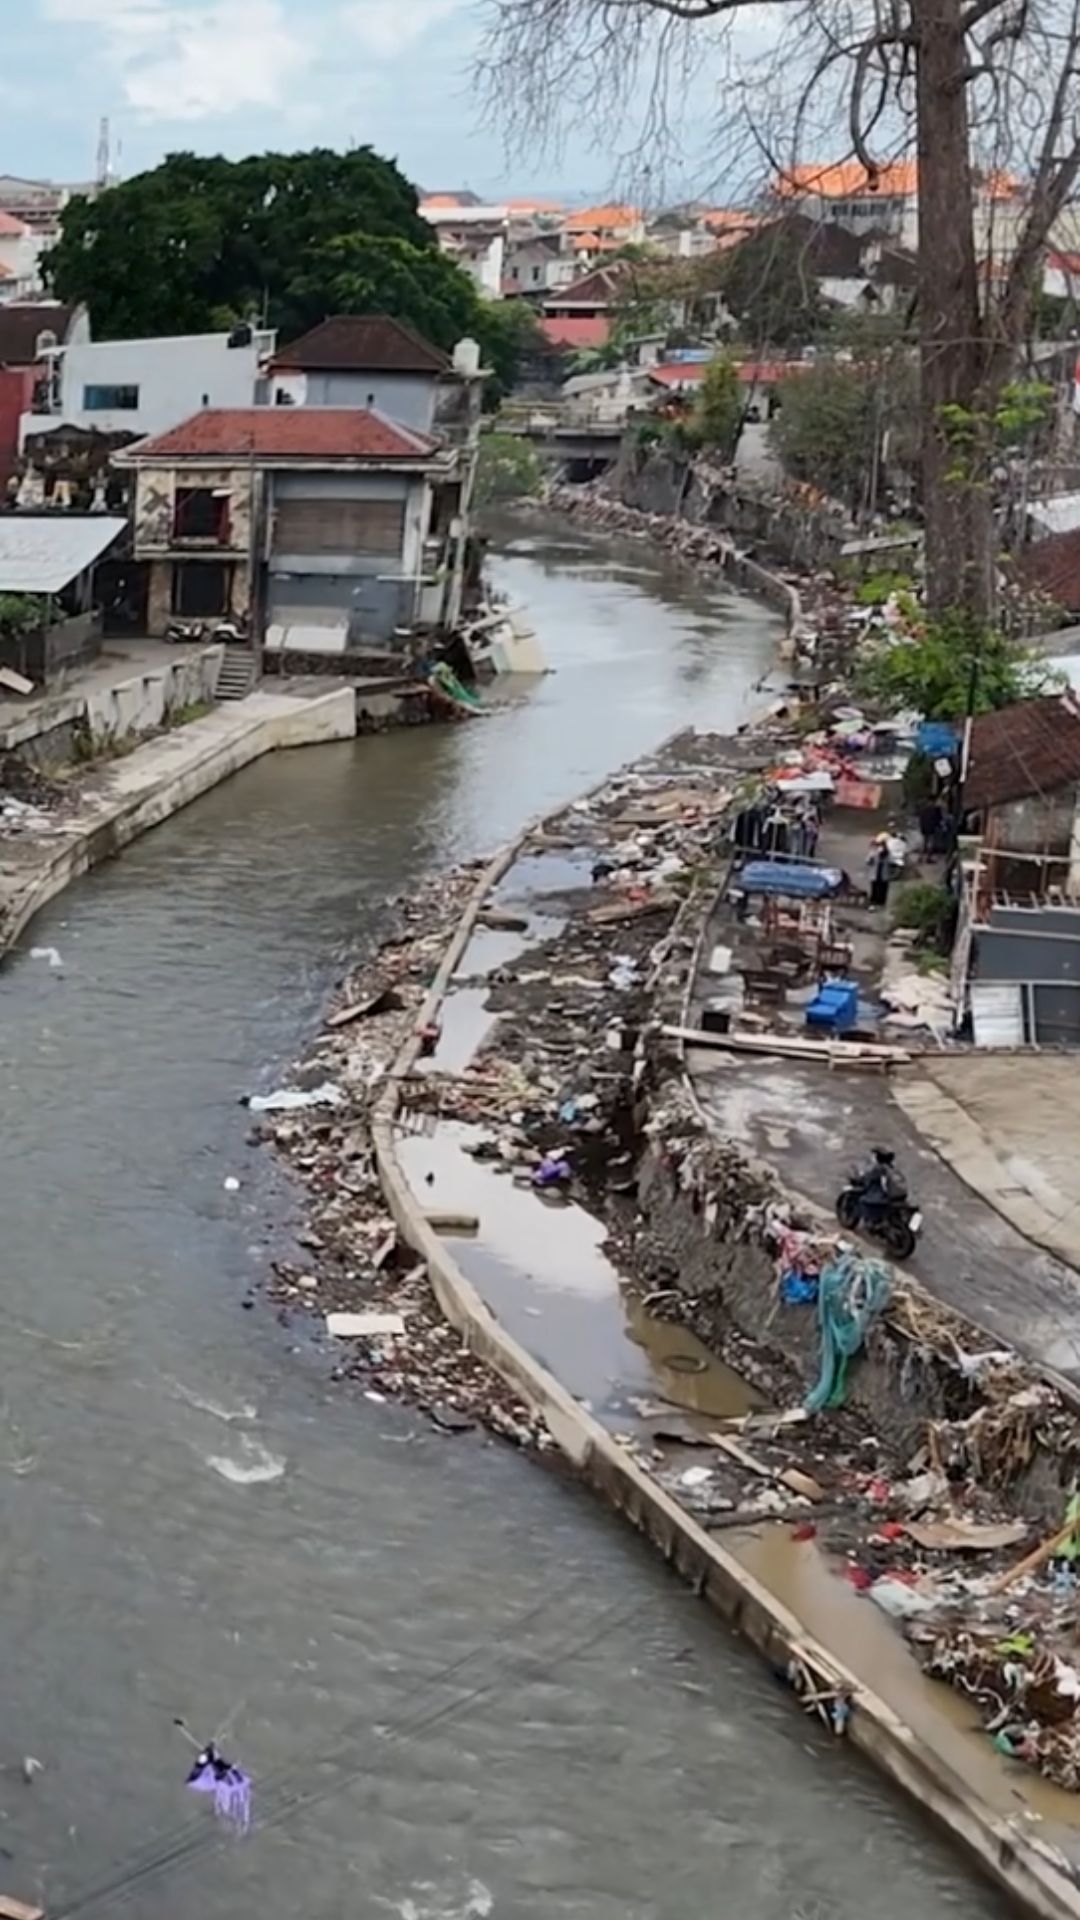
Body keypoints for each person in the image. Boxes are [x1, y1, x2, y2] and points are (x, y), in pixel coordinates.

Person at [855, 1147, 907, 1226]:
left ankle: (871, 1222)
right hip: (900, 1195)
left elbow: (867, 1176)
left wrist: (860, 1177)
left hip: (884, 1198)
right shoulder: (892, 1168)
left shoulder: (878, 1168)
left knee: (862, 1201)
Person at [867, 836, 892, 908]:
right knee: (874, 891)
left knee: (882, 891)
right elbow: (868, 862)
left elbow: (890, 862)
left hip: (883, 876)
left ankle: (881, 904)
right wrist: (872, 857)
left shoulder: (888, 853)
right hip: (875, 875)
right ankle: (873, 903)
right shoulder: (873, 852)